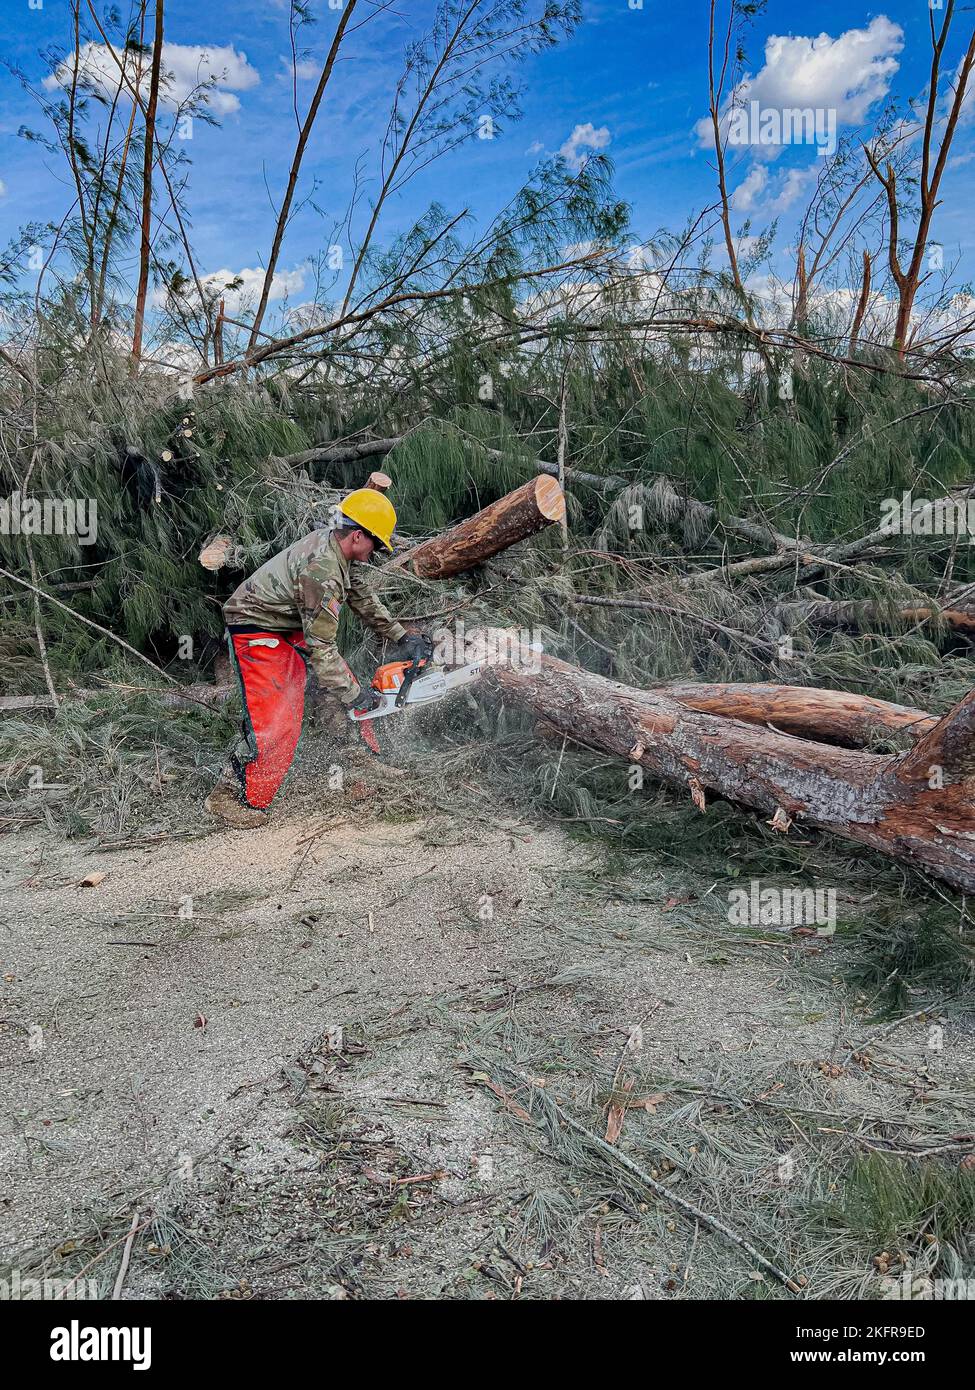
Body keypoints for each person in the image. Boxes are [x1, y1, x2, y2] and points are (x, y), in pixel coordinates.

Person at [205, 488, 425, 828]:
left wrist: (401, 635)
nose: (375, 552)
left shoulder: (337, 551)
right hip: (256, 626)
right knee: (278, 716)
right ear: (357, 535)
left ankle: (356, 762)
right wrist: (356, 696)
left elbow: (361, 596)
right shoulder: (322, 569)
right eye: (376, 544)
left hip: (287, 622)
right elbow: (323, 651)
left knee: (340, 683)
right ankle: (229, 795)